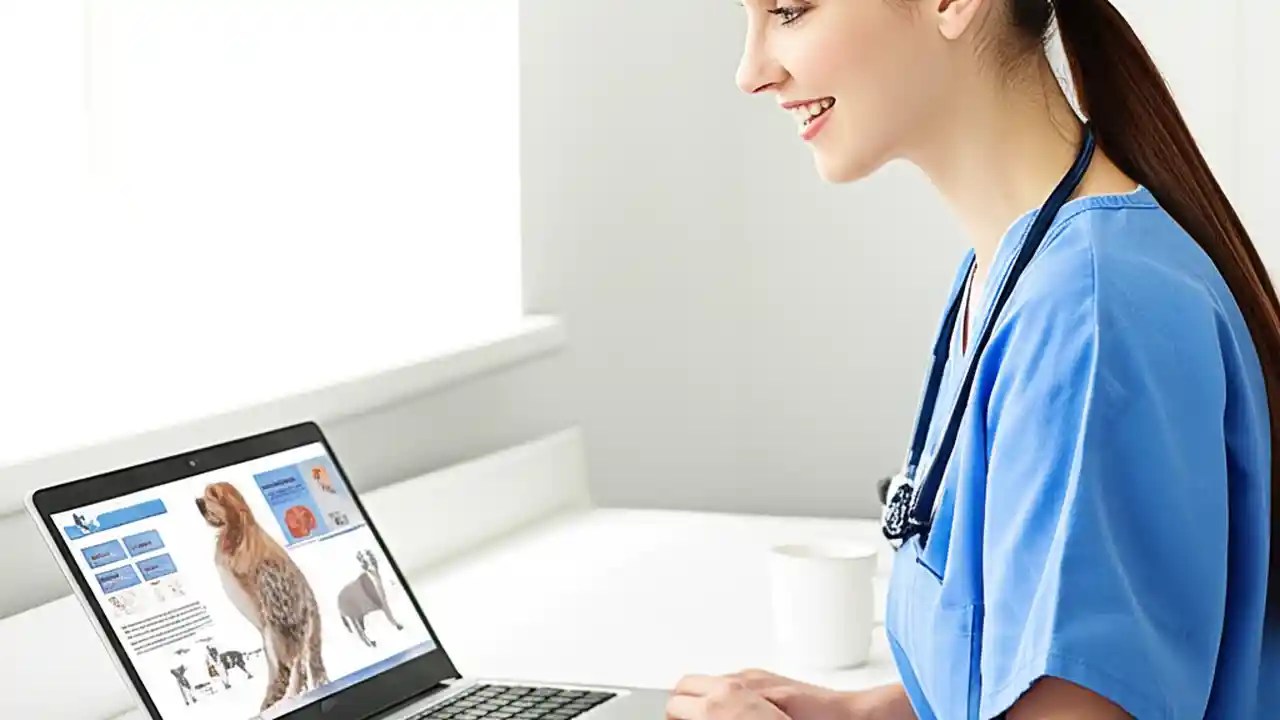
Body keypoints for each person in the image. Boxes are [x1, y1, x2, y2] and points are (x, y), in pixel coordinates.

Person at [667, 1, 1280, 718]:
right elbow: (1022, 655)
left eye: (790, 11)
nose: (750, 72)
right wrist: (867, 713)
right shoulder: (1012, 274)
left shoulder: (1094, 311)